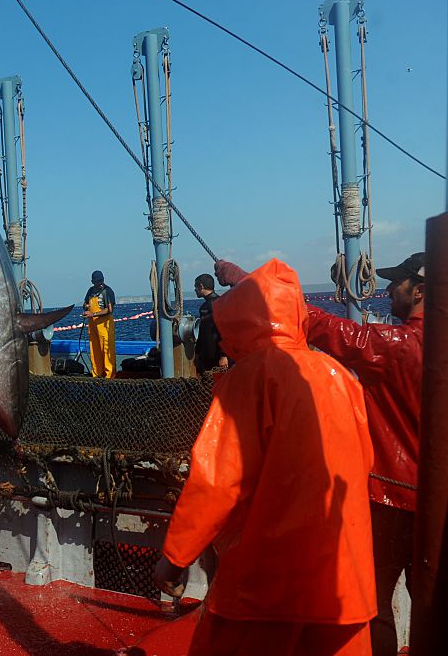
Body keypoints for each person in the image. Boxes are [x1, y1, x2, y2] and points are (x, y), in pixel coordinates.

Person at [154, 258, 376, 656]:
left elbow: (217, 481)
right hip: (344, 583)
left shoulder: (249, 379)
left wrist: (175, 557)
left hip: (265, 587)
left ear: (242, 321)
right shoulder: (340, 377)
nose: (221, 339)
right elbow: (366, 462)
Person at [302, 252, 424, 655]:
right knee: (435, 606)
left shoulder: (399, 348)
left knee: (374, 604)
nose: (389, 288)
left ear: (420, 291)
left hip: (391, 501)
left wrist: (268, 294)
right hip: (447, 506)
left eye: (398, 283)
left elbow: (335, 333)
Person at [83, 270, 116, 378]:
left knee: (106, 349)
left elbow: (110, 309)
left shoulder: (107, 291)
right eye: (97, 281)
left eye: (101, 280)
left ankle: (109, 375)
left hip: (104, 324)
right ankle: (97, 373)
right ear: (92, 281)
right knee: (94, 349)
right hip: (92, 324)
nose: (100, 283)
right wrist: (86, 307)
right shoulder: (90, 291)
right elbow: (85, 303)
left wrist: (94, 314)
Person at [193, 273, 227, 374]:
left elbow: (224, 331)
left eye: (195, 287)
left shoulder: (218, 304)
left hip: (216, 356)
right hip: (206, 356)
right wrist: (197, 352)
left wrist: (223, 355)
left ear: (201, 286)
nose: (195, 290)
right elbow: (202, 332)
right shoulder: (205, 306)